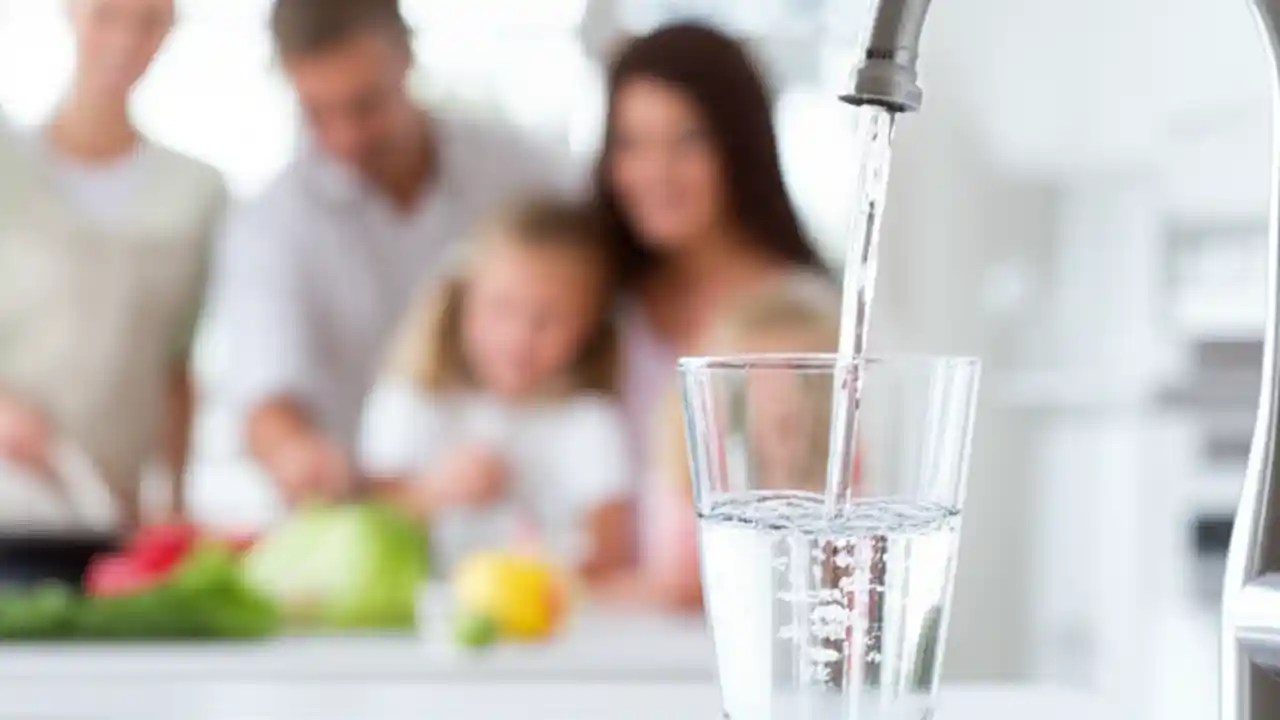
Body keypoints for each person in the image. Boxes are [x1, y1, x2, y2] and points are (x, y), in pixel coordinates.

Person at [212, 0, 561, 507]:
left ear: (407, 56)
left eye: (366, 105)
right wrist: (296, 452)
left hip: (511, 518)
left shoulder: (519, 176)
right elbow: (265, 389)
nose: (346, 136)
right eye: (317, 113)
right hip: (354, 523)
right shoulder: (270, 225)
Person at [592, 24, 835, 600]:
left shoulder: (807, 319)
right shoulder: (604, 306)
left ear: (737, 146)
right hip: (614, 639)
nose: (655, 171)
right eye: (631, 143)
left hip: (755, 639)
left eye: (687, 141)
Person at [0, 0, 225, 529]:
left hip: (110, 505)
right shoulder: (8, 169)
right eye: (106, 16)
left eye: (147, 22)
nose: (124, 41)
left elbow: (177, 361)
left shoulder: (197, 193)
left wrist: (173, 499)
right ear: (70, 13)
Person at [358, 199, 630, 578]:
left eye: (549, 319)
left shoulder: (588, 422)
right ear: (461, 303)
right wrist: (437, 492)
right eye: (501, 308)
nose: (520, 337)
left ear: (589, 328)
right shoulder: (411, 399)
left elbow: (610, 552)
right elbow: (368, 527)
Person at [600, 275, 840, 609]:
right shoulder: (692, 463)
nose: (783, 397)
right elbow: (677, 578)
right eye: (760, 377)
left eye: (801, 380)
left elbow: (833, 573)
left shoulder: (842, 470)